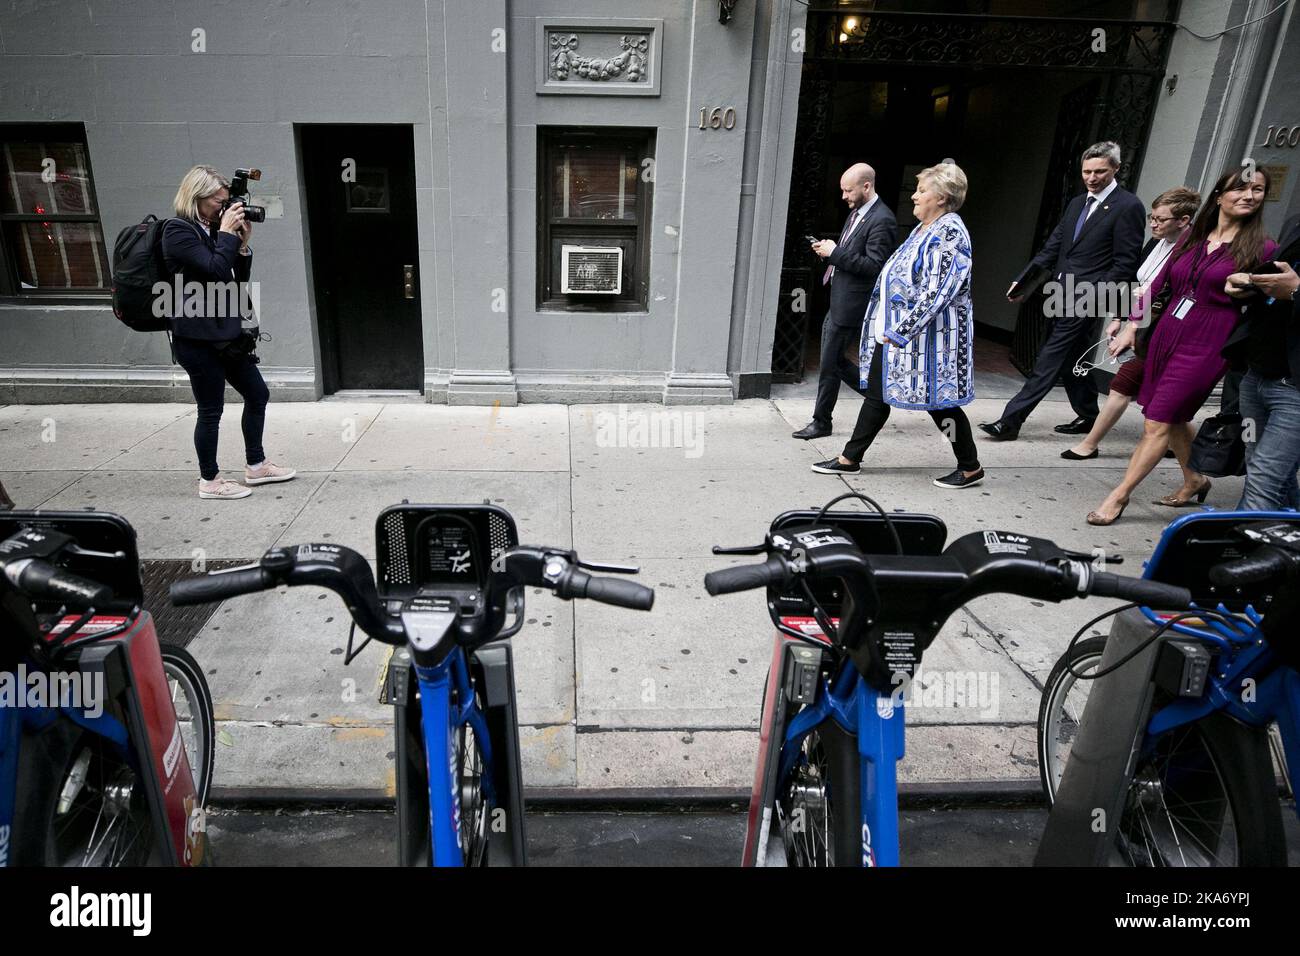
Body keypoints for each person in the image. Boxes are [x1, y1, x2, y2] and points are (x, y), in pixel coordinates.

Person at [1086, 166, 1276, 525]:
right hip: (1167, 333)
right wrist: (1131, 326)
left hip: (1209, 342)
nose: (1248, 196)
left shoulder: (1263, 247)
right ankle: (1194, 479)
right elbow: (1158, 285)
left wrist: (1250, 286)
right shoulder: (1193, 238)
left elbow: (1272, 299)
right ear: (1219, 196)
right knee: (1168, 417)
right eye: (1240, 188)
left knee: (1156, 422)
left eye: (1258, 190)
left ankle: (1119, 496)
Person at [812, 162, 983, 489]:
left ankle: (969, 465)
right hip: (900, 337)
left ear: (943, 197)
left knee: (941, 406)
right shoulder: (925, 229)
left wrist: (901, 331)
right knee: (878, 395)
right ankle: (851, 458)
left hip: (927, 340)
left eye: (922, 191)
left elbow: (939, 289)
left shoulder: (950, 232)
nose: (914, 197)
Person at [981, 141, 1146, 440]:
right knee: (1071, 357)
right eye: (1087, 172)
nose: (1092, 178)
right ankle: (1088, 415)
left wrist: (1096, 298)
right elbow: (1054, 247)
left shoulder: (1128, 206)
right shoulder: (1077, 203)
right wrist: (1024, 282)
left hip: (1088, 298)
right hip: (1060, 293)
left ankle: (1010, 421)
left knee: (1049, 357)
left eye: (1100, 172)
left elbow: (1125, 262)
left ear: (1116, 169)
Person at [163, 165, 295, 500]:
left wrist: (242, 245)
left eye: (226, 201)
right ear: (196, 197)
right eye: (217, 202)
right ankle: (209, 481)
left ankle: (256, 465)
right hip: (197, 338)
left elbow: (233, 280)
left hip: (226, 334)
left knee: (257, 394)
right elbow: (214, 270)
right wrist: (224, 234)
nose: (223, 208)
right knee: (211, 410)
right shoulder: (177, 231)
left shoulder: (211, 231)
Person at [1062, 186, 1200, 460]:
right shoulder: (1156, 243)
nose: (1153, 224)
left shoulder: (1193, 251)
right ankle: (1195, 450)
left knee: (1130, 389)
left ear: (1183, 221)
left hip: (1163, 330)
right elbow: (1137, 284)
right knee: (1152, 398)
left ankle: (1089, 444)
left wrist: (1132, 326)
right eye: (1152, 217)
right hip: (1141, 324)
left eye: (1161, 219)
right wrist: (1119, 318)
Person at [793, 163, 898, 440]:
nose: (844, 196)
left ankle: (827, 418)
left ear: (867, 186)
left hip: (853, 305)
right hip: (839, 300)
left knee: (831, 362)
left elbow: (875, 266)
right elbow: (851, 253)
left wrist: (836, 252)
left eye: (848, 190)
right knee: (833, 361)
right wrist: (829, 251)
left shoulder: (882, 219)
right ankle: (875, 396)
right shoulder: (856, 213)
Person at [1223, 211, 1300, 510]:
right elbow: (1275, 287)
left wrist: (1295, 291)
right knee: (1266, 470)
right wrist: (1247, 285)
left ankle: (1245, 550)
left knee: (1263, 478)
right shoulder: (1295, 221)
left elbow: (1290, 289)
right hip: (1255, 378)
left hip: (1293, 390)